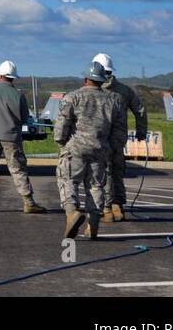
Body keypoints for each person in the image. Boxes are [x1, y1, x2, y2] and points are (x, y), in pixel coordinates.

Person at [54, 60, 125, 239]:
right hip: (101, 149)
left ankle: (72, 214)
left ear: (86, 79)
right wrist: (113, 149)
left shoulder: (73, 97)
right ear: (102, 80)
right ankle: (92, 225)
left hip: (75, 148)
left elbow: (62, 126)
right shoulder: (113, 100)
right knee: (95, 186)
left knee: (68, 180)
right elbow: (119, 130)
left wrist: (61, 143)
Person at [0, 60, 45, 214]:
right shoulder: (19, 95)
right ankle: (28, 202)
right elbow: (24, 119)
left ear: (0, 75)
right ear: (13, 78)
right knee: (18, 170)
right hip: (12, 139)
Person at [98, 53, 147, 222]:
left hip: (100, 138)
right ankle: (118, 205)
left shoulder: (94, 90)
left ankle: (107, 207)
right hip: (119, 139)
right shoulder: (125, 91)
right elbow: (140, 109)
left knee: (104, 172)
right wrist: (141, 131)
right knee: (117, 171)